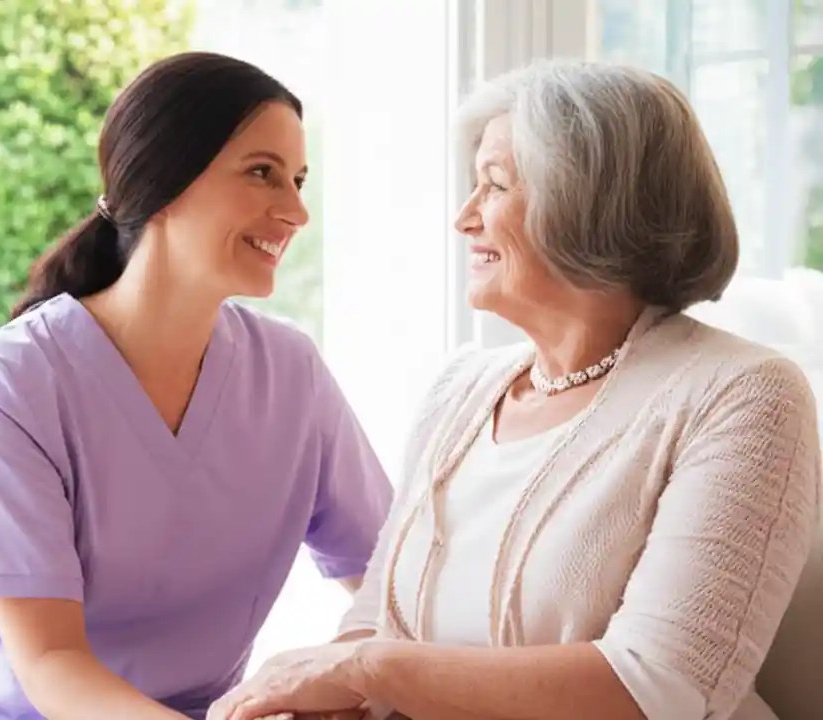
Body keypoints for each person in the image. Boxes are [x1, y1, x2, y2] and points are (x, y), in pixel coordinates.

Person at [208, 60, 822, 720]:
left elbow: (660, 688)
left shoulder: (743, 394)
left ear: (586, 202)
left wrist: (366, 669)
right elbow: (377, 620)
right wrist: (313, 696)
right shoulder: (459, 391)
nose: (464, 219)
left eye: (493, 186)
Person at [0, 51, 394, 720]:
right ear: (163, 181)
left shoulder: (291, 375)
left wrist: (347, 678)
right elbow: (51, 664)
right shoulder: (14, 378)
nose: (296, 212)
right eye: (262, 174)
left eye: (298, 179)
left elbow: (396, 583)